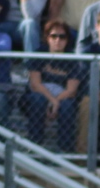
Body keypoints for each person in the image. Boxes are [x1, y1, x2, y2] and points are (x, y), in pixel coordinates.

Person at [25, 20, 83, 149]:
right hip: (40, 96)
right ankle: (34, 146)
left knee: (68, 105)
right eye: (53, 36)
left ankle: (65, 149)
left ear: (67, 40)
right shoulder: (38, 54)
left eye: (62, 37)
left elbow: (71, 90)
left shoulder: (72, 59)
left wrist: (56, 102)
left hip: (62, 98)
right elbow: (35, 84)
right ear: (47, 38)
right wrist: (53, 101)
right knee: (37, 99)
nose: (58, 40)